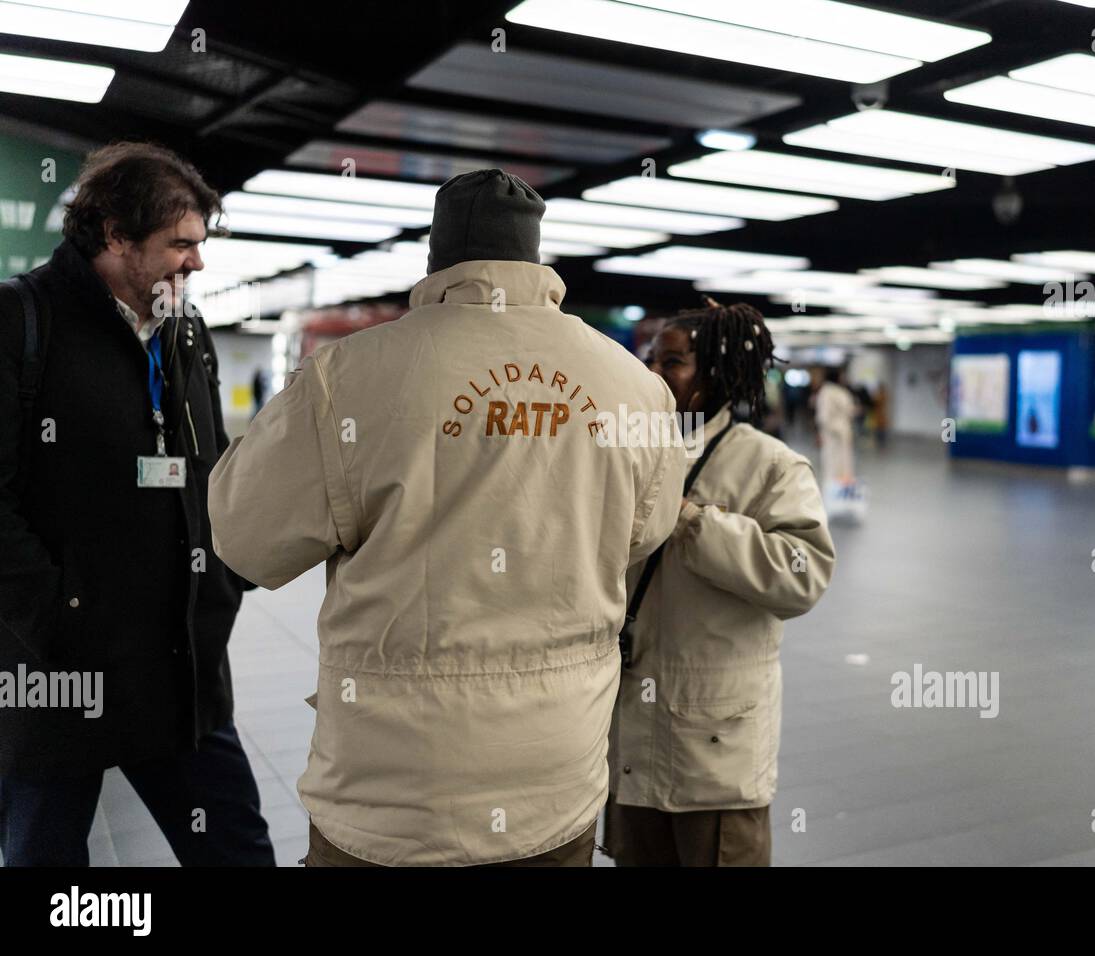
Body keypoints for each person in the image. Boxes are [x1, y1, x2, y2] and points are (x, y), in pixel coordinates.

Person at [208, 169, 685, 867]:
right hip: (554, 788)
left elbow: (242, 536)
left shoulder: (349, 375)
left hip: (392, 803)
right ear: (534, 256)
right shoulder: (634, 388)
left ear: (436, 259)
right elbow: (644, 533)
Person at [0, 143, 272, 866]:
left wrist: (223, 582)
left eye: (200, 244)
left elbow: (208, 472)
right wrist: (56, 619)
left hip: (179, 669)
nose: (197, 262)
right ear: (115, 234)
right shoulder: (21, 323)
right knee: (44, 860)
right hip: (59, 678)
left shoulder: (187, 333)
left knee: (238, 851)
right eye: (180, 243)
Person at [604, 299, 835, 866]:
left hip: (715, 747)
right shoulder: (627, 452)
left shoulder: (771, 466)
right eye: (652, 359)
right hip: (628, 736)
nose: (653, 373)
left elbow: (802, 575)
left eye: (674, 361)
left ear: (717, 374)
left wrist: (691, 520)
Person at [814, 365, 859, 484]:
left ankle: (843, 488)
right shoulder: (827, 392)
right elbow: (823, 416)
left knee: (843, 462)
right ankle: (833, 491)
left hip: (842, 433)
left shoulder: (839, 391)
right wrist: (832, 430)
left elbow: (848, 410)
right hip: (832, 434)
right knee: (832, 462)